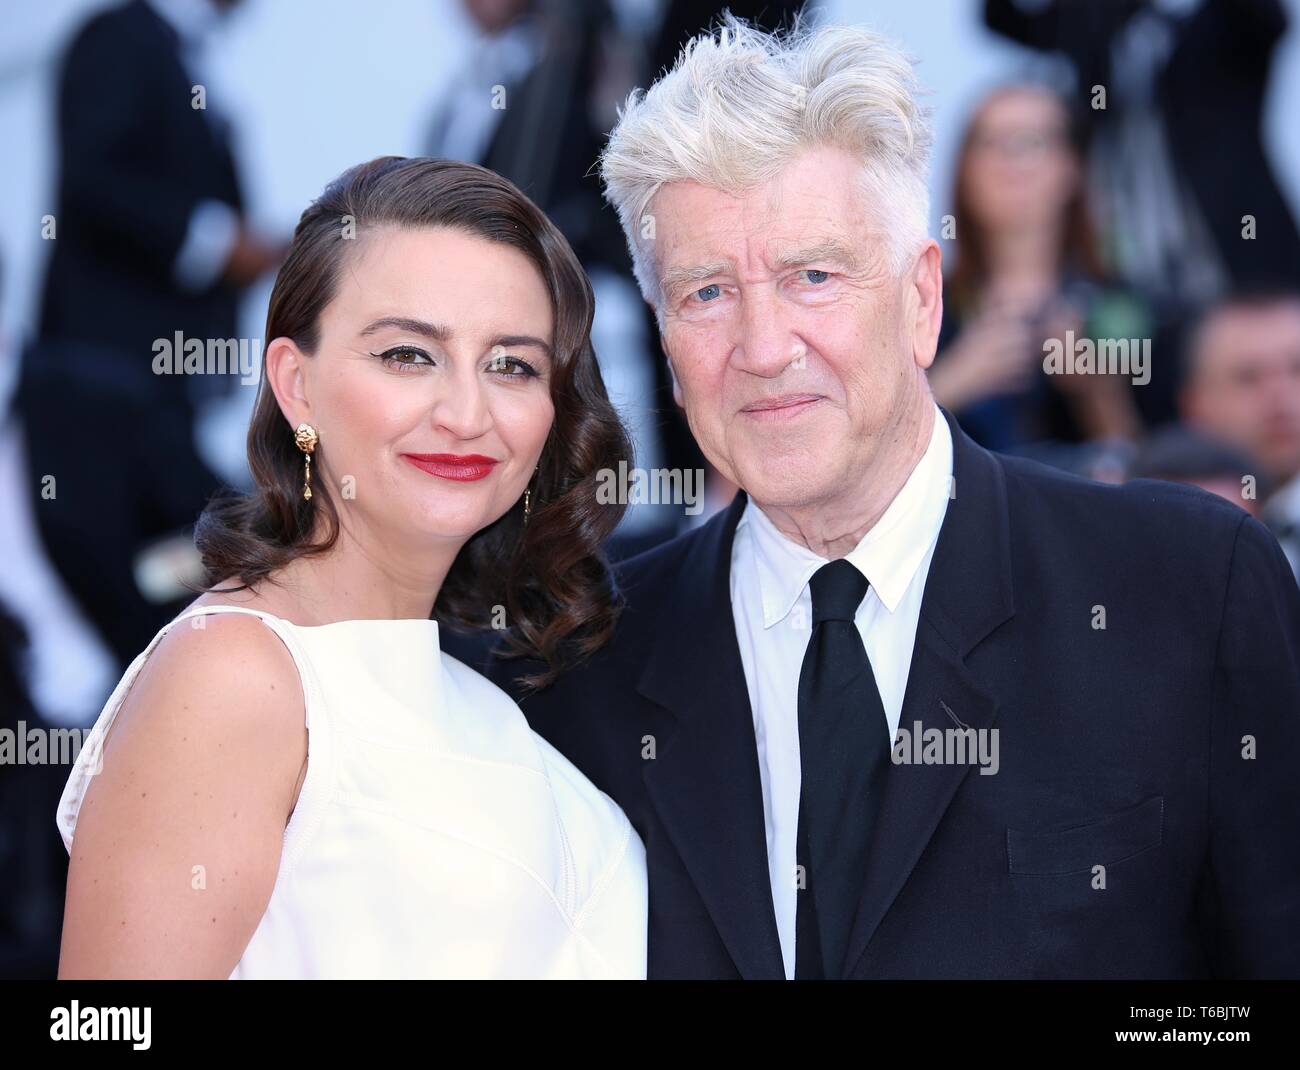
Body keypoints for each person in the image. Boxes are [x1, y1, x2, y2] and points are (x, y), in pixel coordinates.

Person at [485, 16, 1300, 979]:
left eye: (814, 276)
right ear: (663, 342)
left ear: (923, 300)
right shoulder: (577, 663)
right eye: (705, 293)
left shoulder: (1185, 589)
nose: (763, 346)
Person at [55, 156, 647, 979]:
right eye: (409, 355)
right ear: (297, 388)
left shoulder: (478, 691)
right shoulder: (236, 677)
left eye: (512, 364)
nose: (466, 413)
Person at [930, 84, 1147, 452]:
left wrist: (1096, 391)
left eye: (1031, 142)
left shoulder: (1125, 306)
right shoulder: (924, 304)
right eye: (990, 143)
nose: (1011, 162)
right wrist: (954, 381)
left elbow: (1162, 475)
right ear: (964, 171)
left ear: (1071, 166)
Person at [1179, 290, 1300, 578]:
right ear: (1194, 406)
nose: (1280, 398)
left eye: (1297, 370)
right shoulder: (1170, 529)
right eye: (1248, 377)